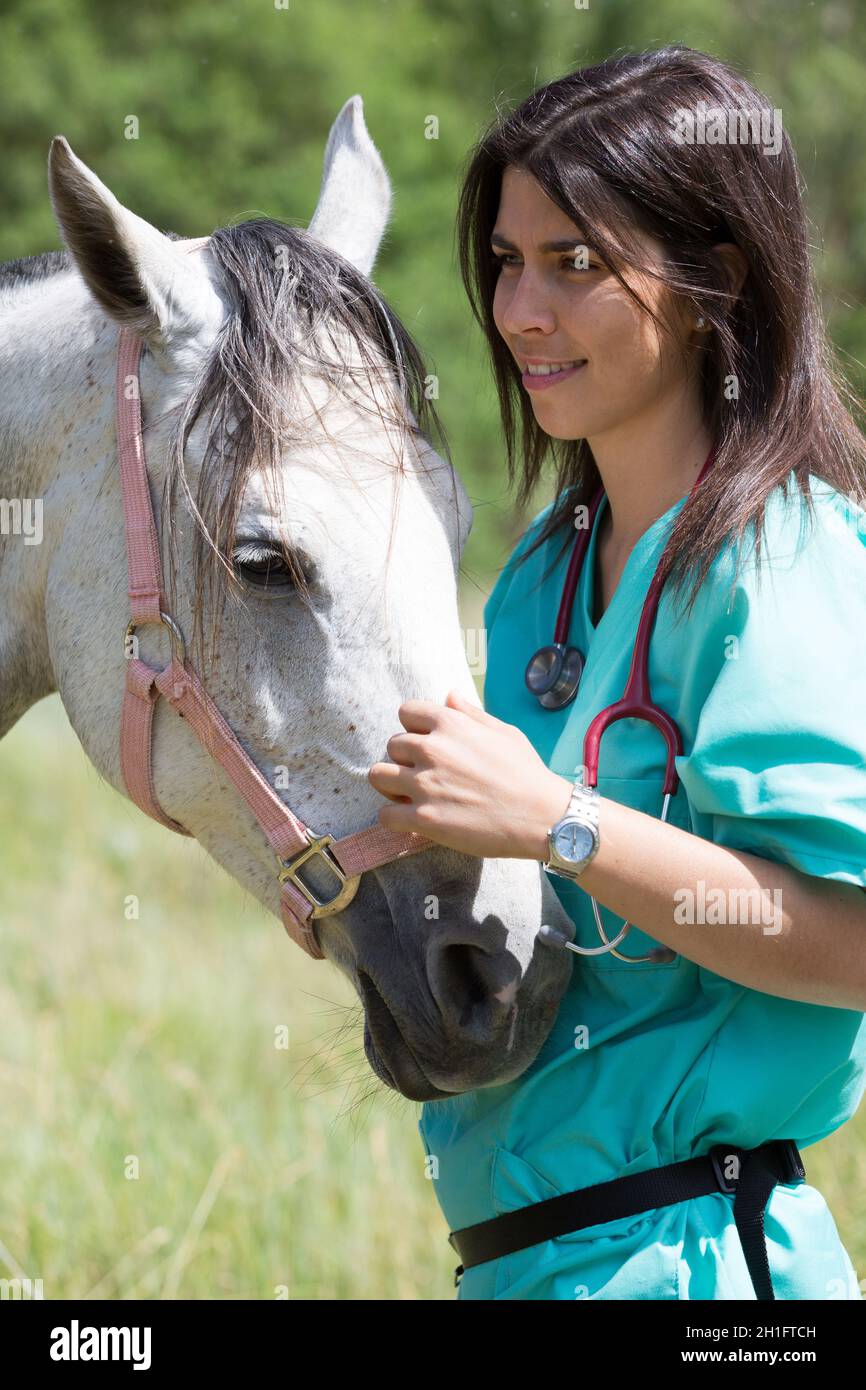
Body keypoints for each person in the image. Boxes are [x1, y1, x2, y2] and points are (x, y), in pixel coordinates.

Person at [368, 44, 866, 1300]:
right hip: (523, 1266)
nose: (518, 310)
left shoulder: (781, 558)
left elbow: (850, 944)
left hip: (690, 1268)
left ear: (714, 281)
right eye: (505, 259)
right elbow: (522, 909)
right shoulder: (543, 567)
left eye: (574, 263)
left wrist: (557, 822)